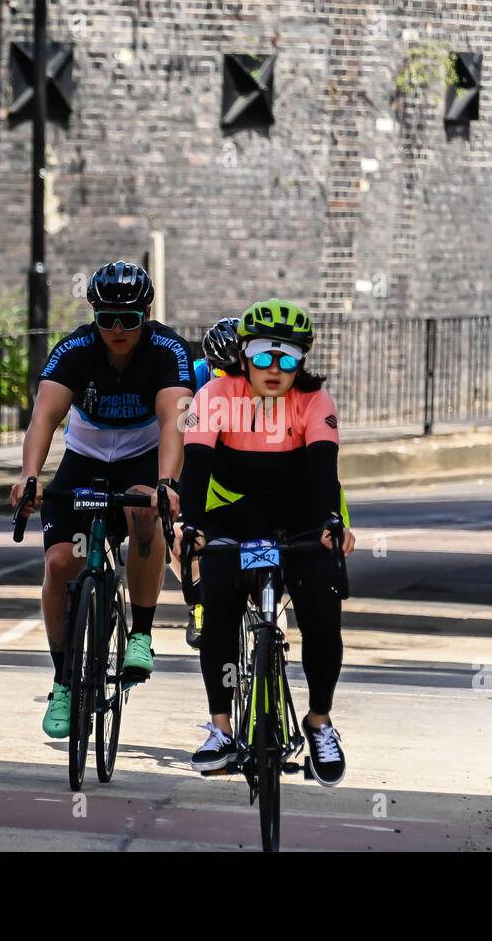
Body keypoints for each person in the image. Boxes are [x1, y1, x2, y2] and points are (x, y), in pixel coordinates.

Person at [176, 298, 356, 786]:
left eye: (288, 359)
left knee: (323, 610)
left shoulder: (316, 402)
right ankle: (220, 729)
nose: (274, 370)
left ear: (303, 361)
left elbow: (323, 473)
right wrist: (190, 525)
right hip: (238, 513)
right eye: (262, 357)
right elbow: (195, 469)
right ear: (243, 355)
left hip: (300, 514)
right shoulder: (213, 396)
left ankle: (319, 722)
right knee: (218, 607)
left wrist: (329, 525)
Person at [12, 260, 194, 739]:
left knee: (142, 513)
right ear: (93, 314)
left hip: (143, 457)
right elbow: (44, 418)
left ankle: (140, 634)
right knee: (58, 565)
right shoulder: (74, 349)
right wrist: (30, 475)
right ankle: (63, 683)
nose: (117, 329)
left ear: (146, 315)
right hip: (86, 459)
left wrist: (167, 484)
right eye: (107, 318)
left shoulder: (167, 349)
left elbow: (176, 420)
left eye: (129, 320)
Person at [184, 316, 242, 648]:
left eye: (237, 372)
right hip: (201, 458)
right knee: (181, 536)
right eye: (221, 372)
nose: (229, 380)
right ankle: (200, 603)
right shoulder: (193, 378)